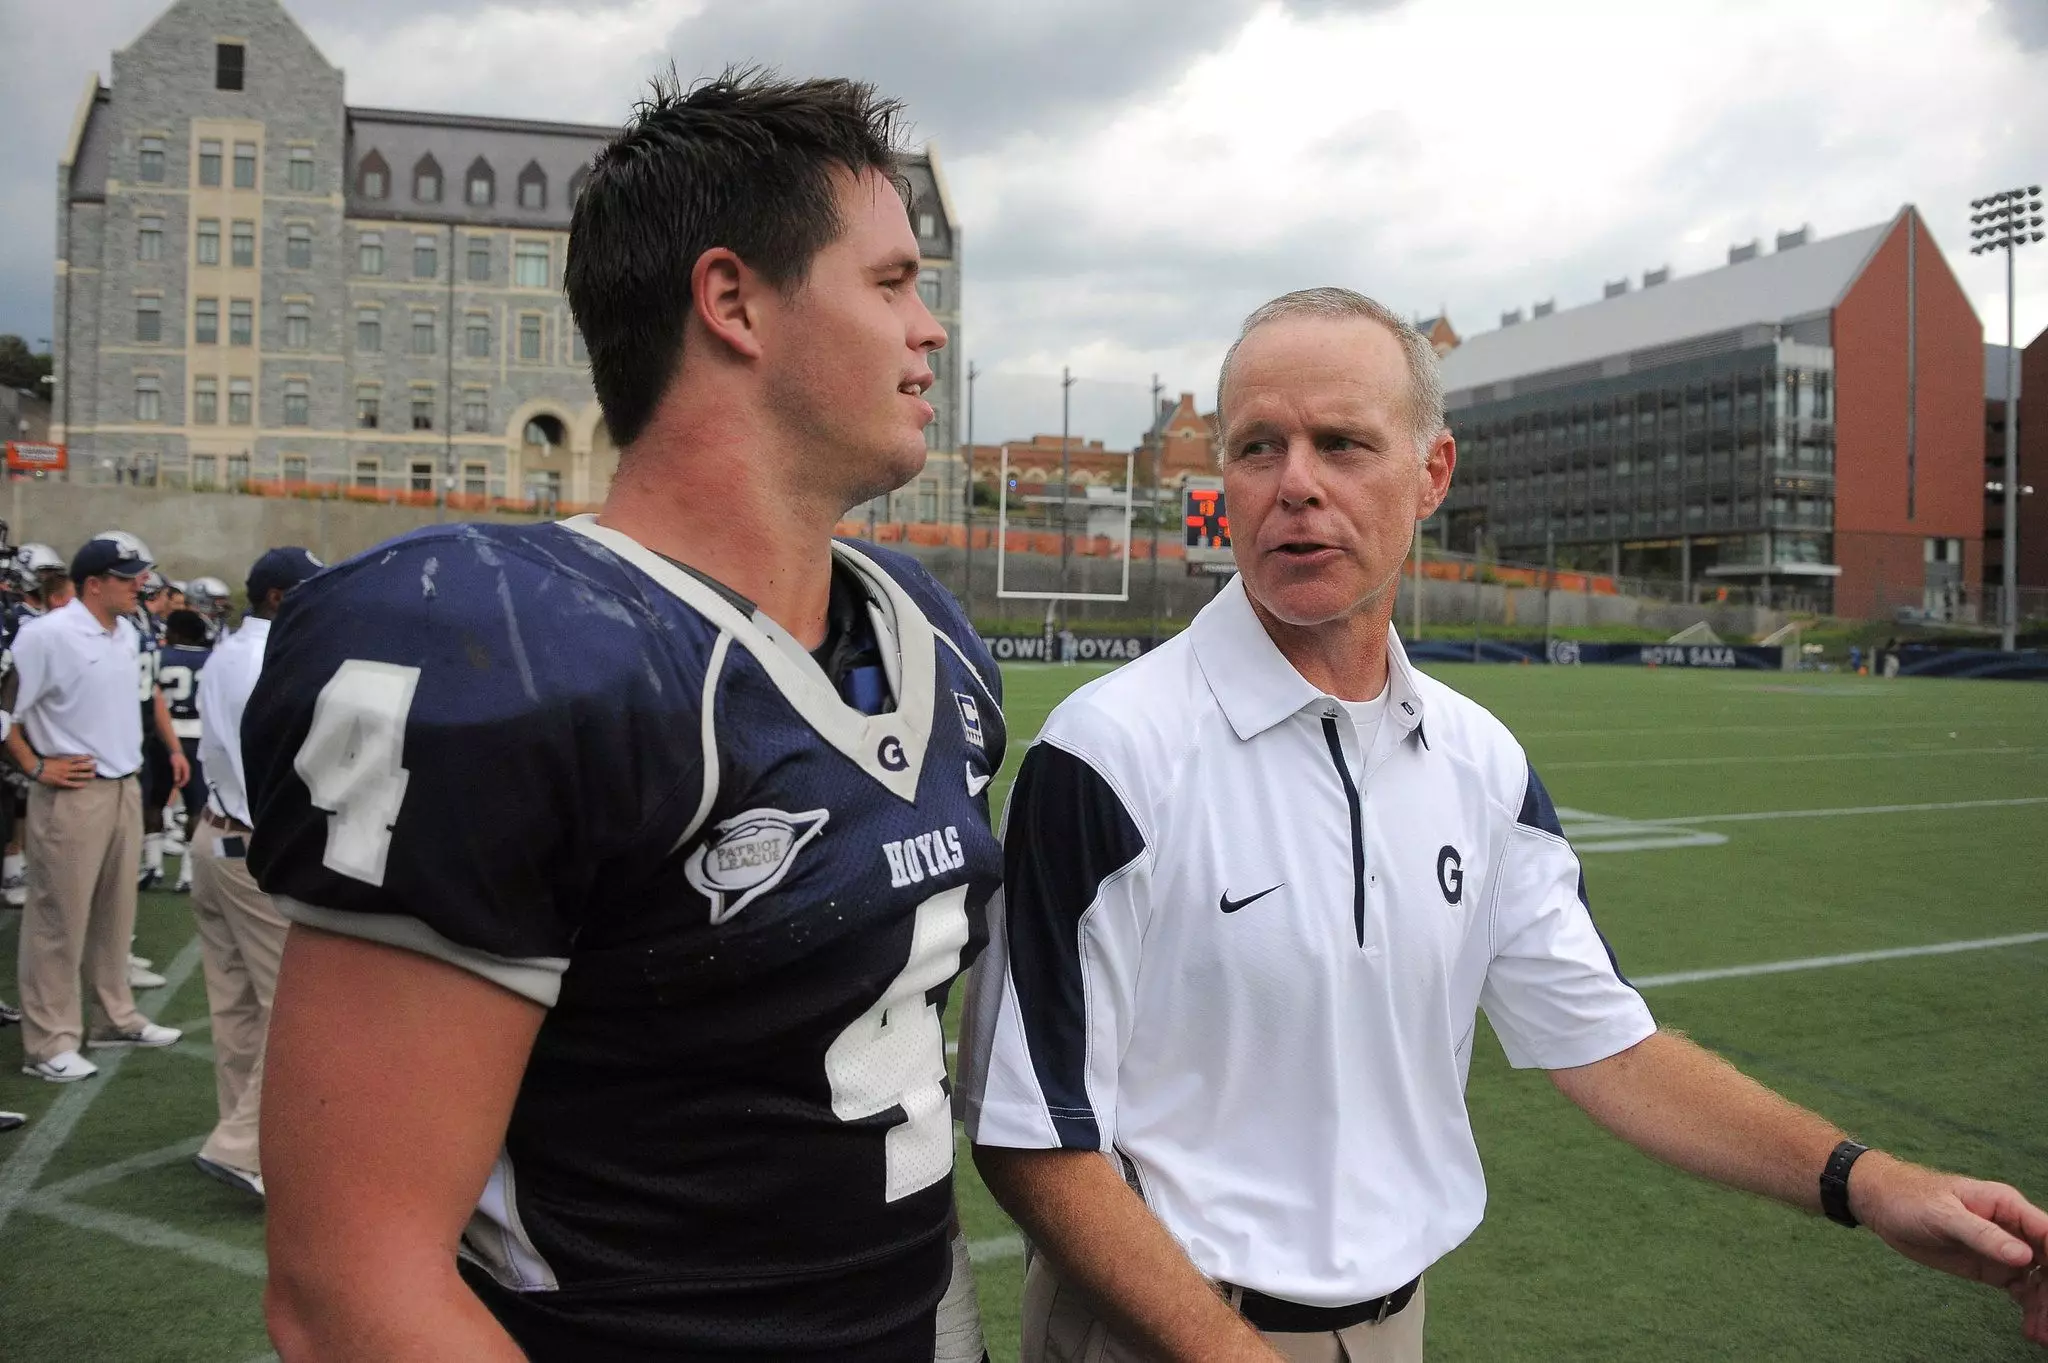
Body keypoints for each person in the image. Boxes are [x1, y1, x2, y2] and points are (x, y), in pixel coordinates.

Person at [959, 288, 2048, 1362]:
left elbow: (1608, 1049)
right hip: (1155, 1331)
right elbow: (1030, 1135)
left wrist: (1870, 1181)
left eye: (1341, 443)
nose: (1295, 484)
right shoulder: (1105, 755)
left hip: (1393, 1329)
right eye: (1257, 447)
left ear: (1431, 473)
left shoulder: (1480, 762)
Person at [246, 71, 1001, 1362]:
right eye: (889, 284)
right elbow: (346, 1288)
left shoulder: (921, 628)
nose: (929, 330)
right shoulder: (504, 653)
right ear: (732, 301)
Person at [5, 538, 185, 1083]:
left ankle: (114, 1016)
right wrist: (37, 767)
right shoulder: (46, 635)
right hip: (73, 792)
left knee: (114, 915)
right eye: (128, 577)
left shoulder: (126, 631)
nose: (139, 586)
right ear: (94, 583)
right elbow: (5, 709)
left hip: (123, 785)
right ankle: (49, 1042)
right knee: (57, 921)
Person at [186, 548, 322, 1199]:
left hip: (214, 835)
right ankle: (243, 1145)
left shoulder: (231, 649)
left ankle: (249, 1143)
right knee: (289, 1006)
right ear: (276, 597)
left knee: (237, 1002)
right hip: (248, 843)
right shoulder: (265, 659)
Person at [156, 609, 213, 893]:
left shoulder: (160, 656)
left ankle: (152, 866)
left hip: (162, 734)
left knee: (152, 801)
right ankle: (189, 874)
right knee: (195, 805)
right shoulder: (212, 660)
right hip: (196, 736)